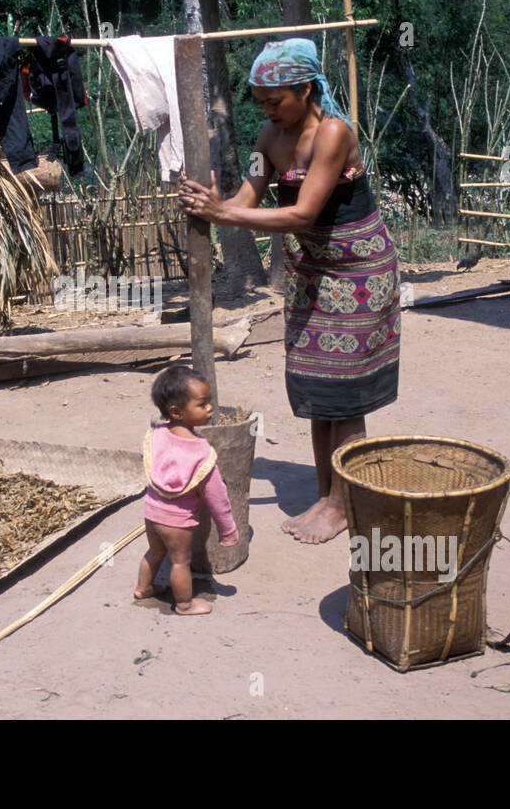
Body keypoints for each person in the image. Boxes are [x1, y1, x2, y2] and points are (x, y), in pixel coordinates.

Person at [178, 38, 400, 545]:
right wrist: (218, 205)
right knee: (318, 389)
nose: (268, 111)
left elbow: (302, 214)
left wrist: (226, 213)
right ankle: (326, 495)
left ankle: (342, 506)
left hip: (359, 275)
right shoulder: (268, 139)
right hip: (313, 276)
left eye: (275, 100)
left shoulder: (334, 134)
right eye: (260, 101)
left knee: (345, 396)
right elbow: (247, 196)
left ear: (306, 88)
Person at [134, 365, 238, 615]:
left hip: (151, 512)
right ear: (177, 412)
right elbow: (217, 498)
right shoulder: (202, 453)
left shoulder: (155, 435)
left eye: (209, 402)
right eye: (202, 404)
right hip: (178, 522)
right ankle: (184, 604)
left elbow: (143, 453)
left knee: (155, 552)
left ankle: (143, 588)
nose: (210, 408)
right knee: (181, 562)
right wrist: (228, 531)